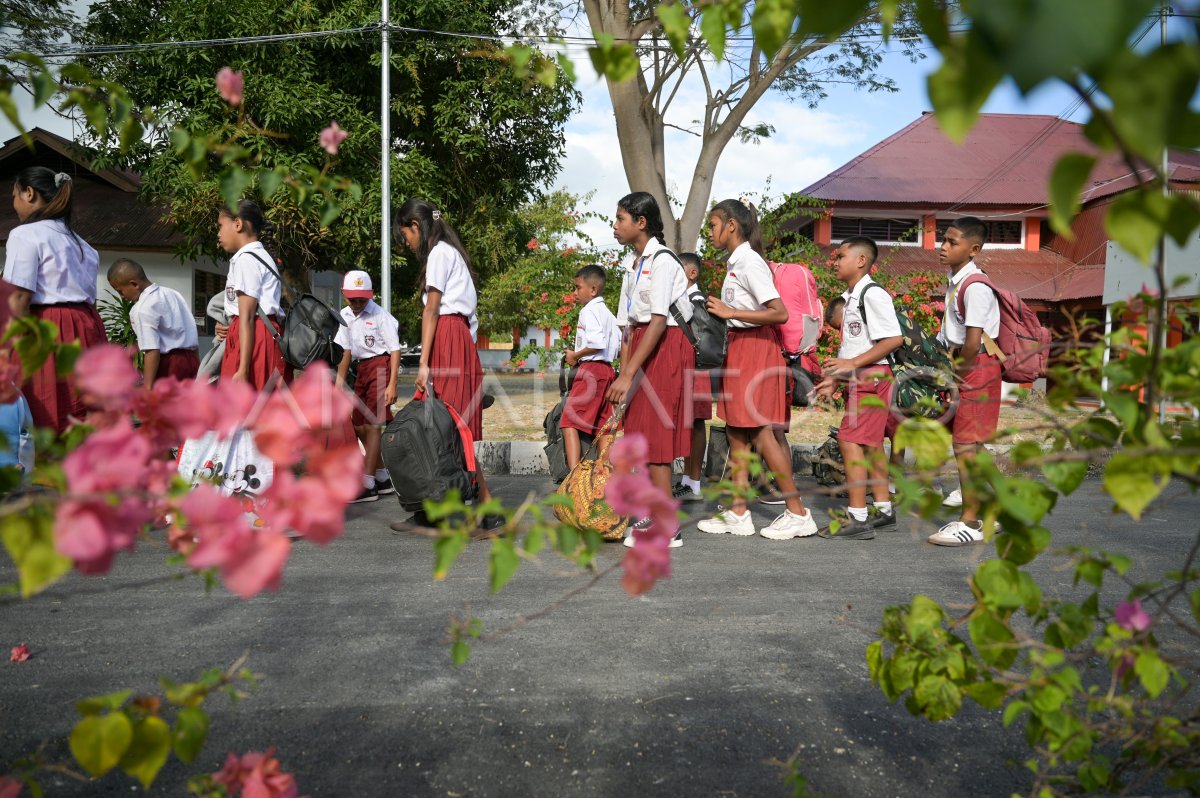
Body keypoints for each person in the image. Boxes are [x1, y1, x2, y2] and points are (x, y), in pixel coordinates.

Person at [696, 198, 817, 540]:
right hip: (740, 347)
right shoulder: (737, 262)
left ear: (731, 225)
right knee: (736, 430)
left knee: (762, 430)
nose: (709, 232)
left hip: (756, 348)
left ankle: (798, 513)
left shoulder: (750, 262)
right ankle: (738, 512)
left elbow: (779, 312)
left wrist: (730, 313)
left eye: (713, 225)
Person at [394, 198, 501, 529]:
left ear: (415, 226)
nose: (408, 244)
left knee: (450, 427)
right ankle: (444, 507)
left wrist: (423, 363)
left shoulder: (440, 253)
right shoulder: (449, 253)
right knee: (445, 427)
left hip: (448, 336)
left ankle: (483, 508)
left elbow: (432, 310)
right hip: (456, 337)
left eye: (406, 236)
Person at [606, 192, 693, 549]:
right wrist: (623, 374)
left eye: (620, 218)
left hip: (665, 345)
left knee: (656, 435)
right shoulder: (633, 265)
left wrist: (629, 374)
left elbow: (658, 321)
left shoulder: (662, 260)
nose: (614, 226)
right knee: (639, 432)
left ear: (641, 223)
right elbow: (628, 327)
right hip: (643, 344)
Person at [3, 167, 106, 432]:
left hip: (48, 329)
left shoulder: (25, 234)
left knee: (45, 413)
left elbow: (19, 297)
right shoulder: (84, 246)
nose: (13, 204)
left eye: (14, 196)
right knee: (82, 414)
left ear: (29, 193)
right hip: (88, 328)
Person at [813, 236, 902, 540]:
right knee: (871, 444)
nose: (835, 261)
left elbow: (893, 339)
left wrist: (851, 365)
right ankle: (884, 510)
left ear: (861, 261)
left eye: (841, 256)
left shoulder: (873, 294)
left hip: (871, 376)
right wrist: (836, 379)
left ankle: (857, 516)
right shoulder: (851, 297)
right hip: (863, 375)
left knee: (849, 440)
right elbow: (854, 345)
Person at [927, 217, 1002, 547]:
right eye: (943, 240)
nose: (943, 247)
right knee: (974, 446)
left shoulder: (975, 286)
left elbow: (972, 342)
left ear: (974, 249)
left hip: (975, 366)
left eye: (952, 242)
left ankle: (971, 521)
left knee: (965, 446)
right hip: (965, 363)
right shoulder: (956, 281)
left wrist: (956, 377)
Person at [334, 270, 402, 504]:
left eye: (362, 300)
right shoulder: (344, 315)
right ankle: (382, 477)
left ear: (370, 296)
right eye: (352, 299)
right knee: (358, 425)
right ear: (344, 295)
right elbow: (346, 352)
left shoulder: (380, 315)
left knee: (373, 425)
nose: (357, 304)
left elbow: (395, 350)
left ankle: (367, 483)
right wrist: (339, 385)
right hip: (361, 370)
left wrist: (392, 384)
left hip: (380, 366)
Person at [217, 200, 289, 390]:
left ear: (238, 224)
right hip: (255, 333)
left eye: (221, 226)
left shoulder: (246, 259)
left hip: (254, 337)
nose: (219, 233)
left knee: (247, 402)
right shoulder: (256, 256)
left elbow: (247, 317)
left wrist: (243, 369)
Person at [107, 258, 199, 388]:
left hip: (168, 365)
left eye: (120, 291)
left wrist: (147, 388)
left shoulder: (142, 308)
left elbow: (152, 350)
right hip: (191, 361)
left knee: (166, 401)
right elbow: (191, 331)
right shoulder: (173, 294)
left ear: (134, 284)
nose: (121, 296)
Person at [561, 264, 619, 470]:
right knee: (605, 426)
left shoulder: (588, 311)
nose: (575, 293)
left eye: (578, 287)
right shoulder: (609, 315)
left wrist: (575, 355)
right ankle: (603, 477)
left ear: (593, 289)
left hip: (591, 370)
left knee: (568, 421)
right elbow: (619, 345)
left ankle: (574, 477)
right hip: (608, 371)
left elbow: (596, 343)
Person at [674, 252, 710, 502]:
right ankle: (687, 479)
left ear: (692, 273)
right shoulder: (684, 299)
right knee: (687, 421)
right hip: (688, 369)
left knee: (696, 422)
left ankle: (694, 481)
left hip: (696, 369)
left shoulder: (696, 301)